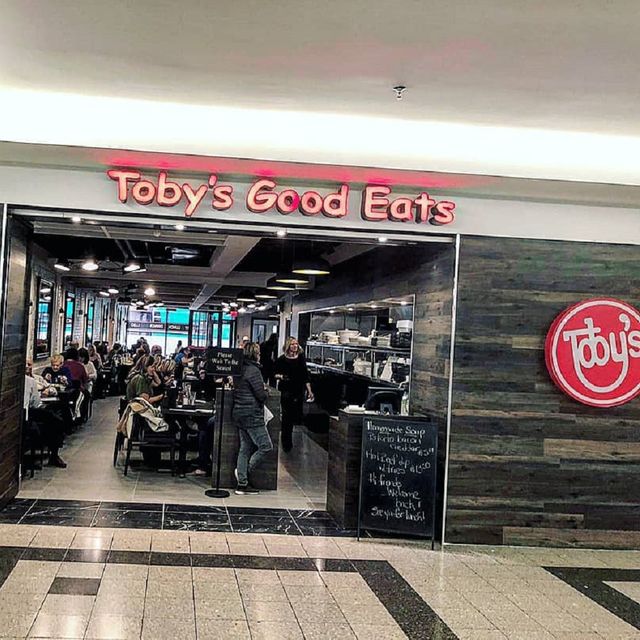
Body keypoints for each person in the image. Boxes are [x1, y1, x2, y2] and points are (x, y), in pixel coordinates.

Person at [232, 342, 272, 494]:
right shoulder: (254, 370)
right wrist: (266, 391)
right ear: (255, 354)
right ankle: (243, 472)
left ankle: (242, 485)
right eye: (258, 352)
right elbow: (261, 396)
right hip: (252, 414)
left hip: (239, 413)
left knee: (245, 448)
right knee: (266, 446)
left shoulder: (239, 369)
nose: (260, 355)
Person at [24, 361, 67, 468]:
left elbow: (51, 388)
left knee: (54, 419)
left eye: (29, 364)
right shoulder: (30, 381)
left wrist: (48, 390)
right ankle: (54, 455)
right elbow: (35, 403)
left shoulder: (37, 378)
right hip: (28, 412)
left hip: (30, 410)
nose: (27, 367)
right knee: (54, 421)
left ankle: (53, 453)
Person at [274, 337, 314, 452]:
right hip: (286, 390)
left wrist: (309, 391)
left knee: (294, 416)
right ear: (288, 346)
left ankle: (289, 438)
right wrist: (281, 376)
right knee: (286, 416)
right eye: (292, 344)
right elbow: (274, 374)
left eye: (296, 344)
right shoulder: (281, 359)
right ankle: (286, 442)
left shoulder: (301, 359)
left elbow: (305, 376)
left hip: (298, 390)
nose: (295, 346)